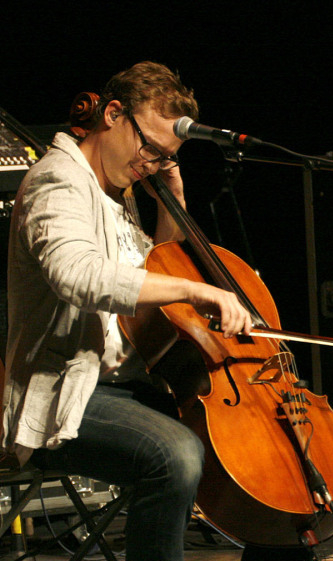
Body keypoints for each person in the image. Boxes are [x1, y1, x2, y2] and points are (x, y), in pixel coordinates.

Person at [2, 61, 253, 560]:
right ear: (113, 114)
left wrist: (172, 201)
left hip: (130, 387)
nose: (152, 164)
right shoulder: (58, 182)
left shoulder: (121, 193)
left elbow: (149, 279)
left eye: (165, 158)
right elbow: (81, 276)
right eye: (149, 149)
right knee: (175, 456)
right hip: (69, 391)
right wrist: (196, 291)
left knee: (251, 451)